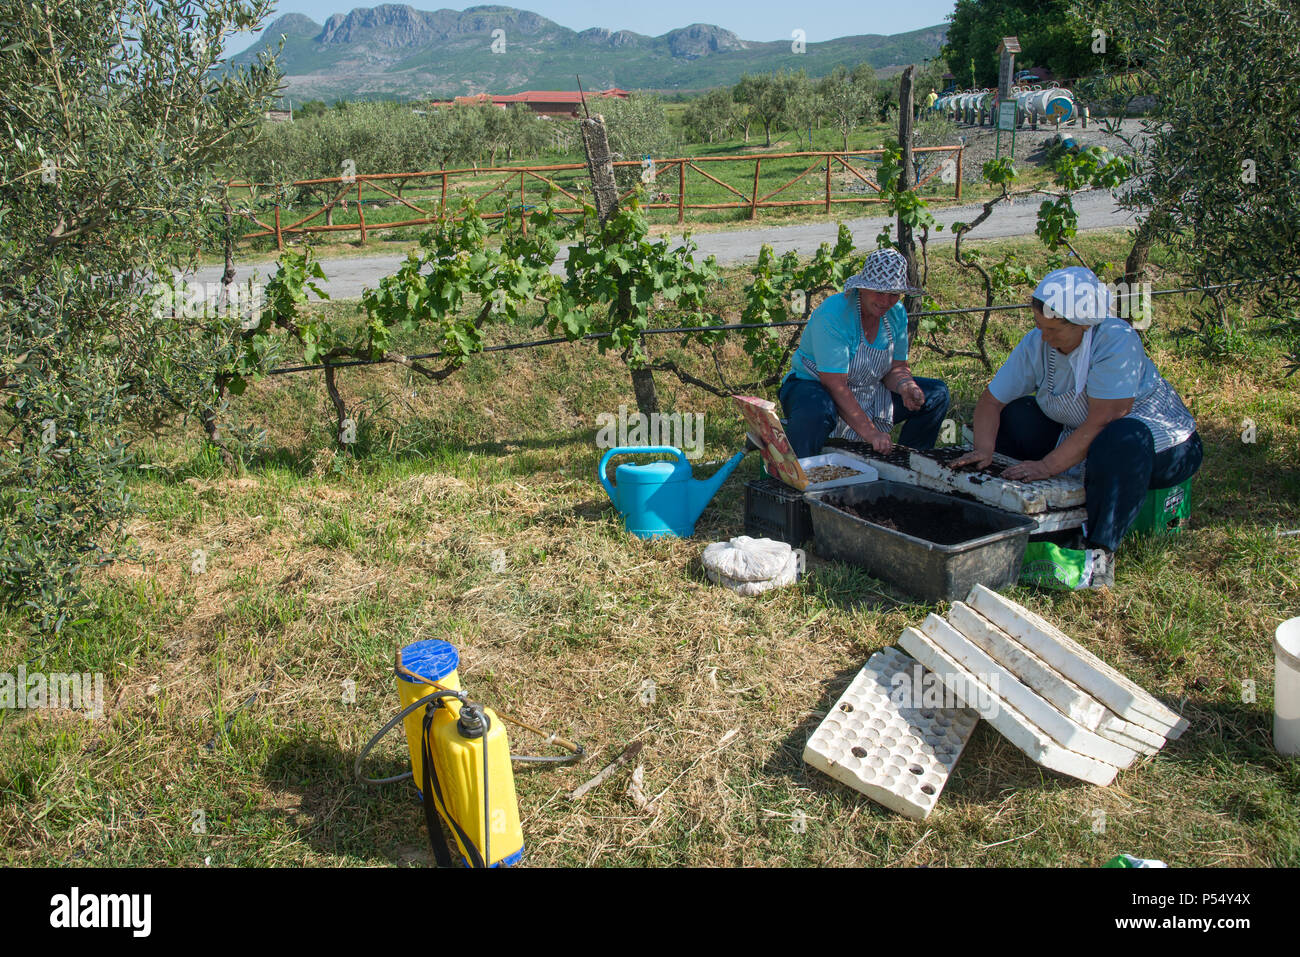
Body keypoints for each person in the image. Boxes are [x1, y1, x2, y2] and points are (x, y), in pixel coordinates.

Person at [953, 267, 1203, 588]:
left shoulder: (1115, 341)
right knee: (1019, 414)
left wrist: (1047, 466)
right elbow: (992, 401)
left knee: (1122, 438)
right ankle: (1024, 517)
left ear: (1084, 324)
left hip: (1158, 447)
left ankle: (1100, 550)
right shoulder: (1038, 343)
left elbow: (1106, 419)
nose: (1044, 336)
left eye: (1054, 330)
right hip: (1084, 437)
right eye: (1039, 326)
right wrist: (984, 450)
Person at [778, 248, 950, 458]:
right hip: (813, 385)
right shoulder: (834, 313)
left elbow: (897, 368)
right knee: (815, 412)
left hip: (868, 388)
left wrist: (906, 386)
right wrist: (871, 433)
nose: (886, 302)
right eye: (879, 292)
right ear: (862, 288)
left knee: (937, 394)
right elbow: (834, 384)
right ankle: (800, 473)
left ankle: (909, 466)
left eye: (894, 294)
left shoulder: (896, 314)